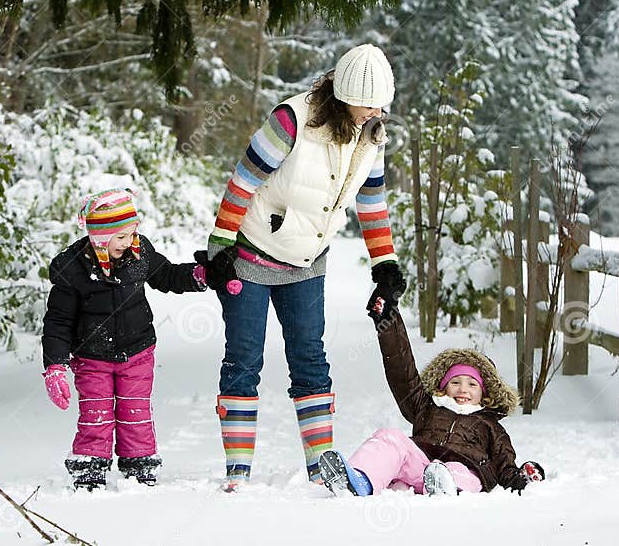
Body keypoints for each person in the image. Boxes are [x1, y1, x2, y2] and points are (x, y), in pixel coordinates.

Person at [197, 44, 407, 490]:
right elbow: (244, 179)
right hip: (252, 253)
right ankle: (237, 472)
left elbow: (372, 203)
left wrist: (384, 265)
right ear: (346, 93)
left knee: (311, 360)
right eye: (370, 102)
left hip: (307, 261)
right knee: (243, 359)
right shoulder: (291, 120)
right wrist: (219, 247)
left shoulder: (372, 135)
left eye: (382, 103)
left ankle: (320, 468)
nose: (378, 111)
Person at [41, 189, 208, 490]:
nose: (128, 242)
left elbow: (167, 275)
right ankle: (90, 466)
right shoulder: (73, 269)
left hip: (137, 349)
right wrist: (55, 365)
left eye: (132, 234)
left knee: (136, 410)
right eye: (120, 237)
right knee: (96, 412)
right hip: (92, 356)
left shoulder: (139, 252)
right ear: (100, 238)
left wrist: (200, 275)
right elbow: (58, 321)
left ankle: (139, 464)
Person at [318, 297, 545, 496]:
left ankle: (445, 488)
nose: (462, 389)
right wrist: (388, 320)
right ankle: (359, 480)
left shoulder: (490, 425)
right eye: (455, 382)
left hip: (465, 471)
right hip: (422, 466)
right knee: (389, 436)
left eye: (472, 384)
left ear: (485, 394)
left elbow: (504, 464)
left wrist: (521, 477)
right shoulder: (427, 408)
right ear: (443, 387)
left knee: (458, 472)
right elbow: (402, 371)